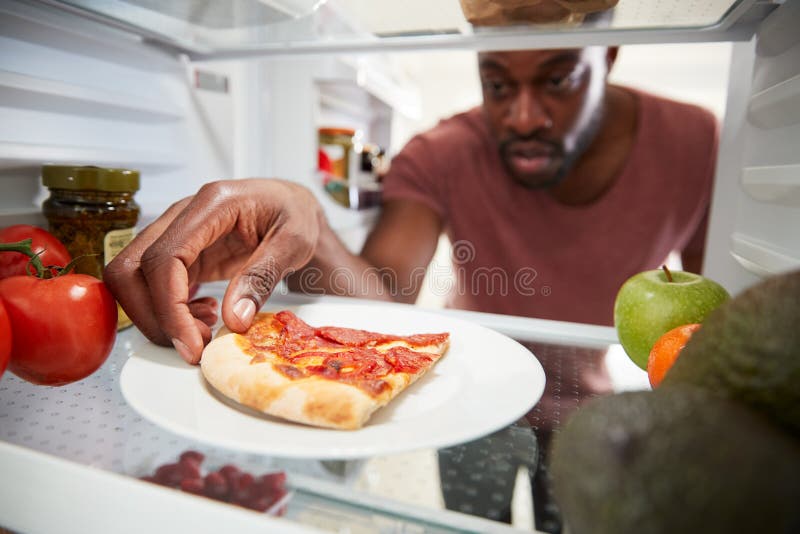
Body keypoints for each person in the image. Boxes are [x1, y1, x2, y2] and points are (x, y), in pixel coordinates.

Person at [104, 46, 717, 533]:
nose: (523, 115)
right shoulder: (441, 152)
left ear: (607, 56)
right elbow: (380, 310)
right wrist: (308, 220)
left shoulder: (694, 142)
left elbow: (711, 318)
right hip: (470, 400)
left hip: (597, 405)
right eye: (498, 83)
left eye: (559, 80)